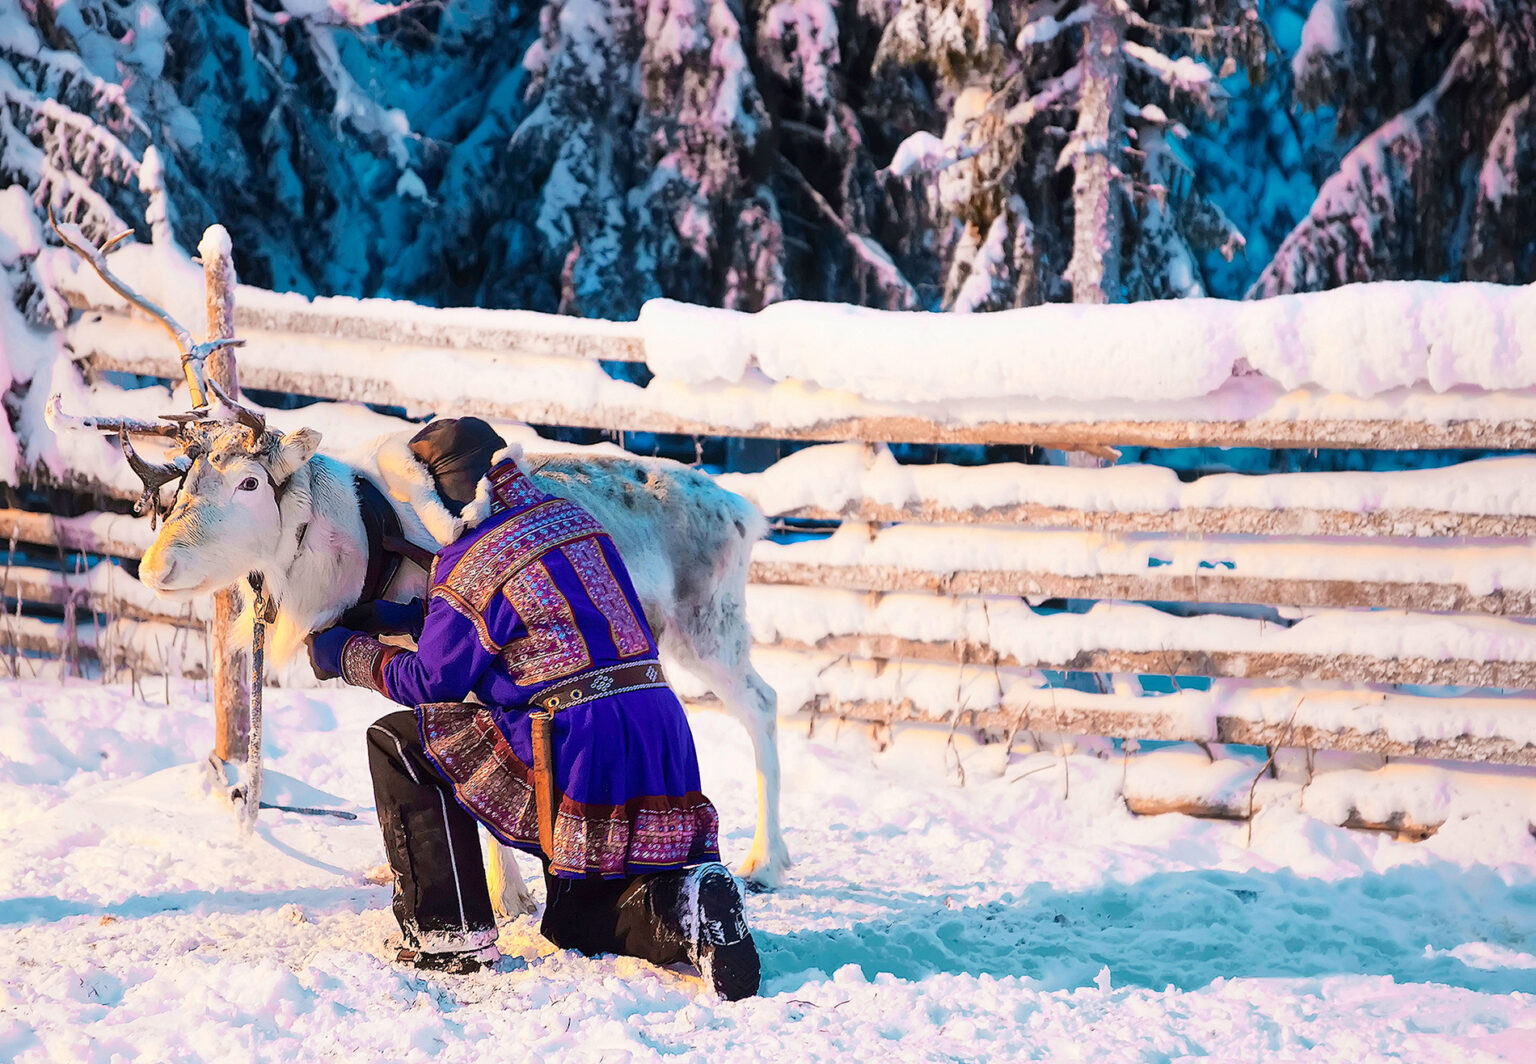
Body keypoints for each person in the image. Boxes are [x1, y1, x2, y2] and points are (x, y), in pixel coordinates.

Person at [307, 417, 760, 998]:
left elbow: (432, 681)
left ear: (437, 498)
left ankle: (450, 935)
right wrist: (408, 619)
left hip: (574, 738)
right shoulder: (574, 520)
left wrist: (347, 653)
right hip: (656, 723)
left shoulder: (472, 559)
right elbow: (539, 617)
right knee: (575, 920)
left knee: (399, 744)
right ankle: (686, 907)